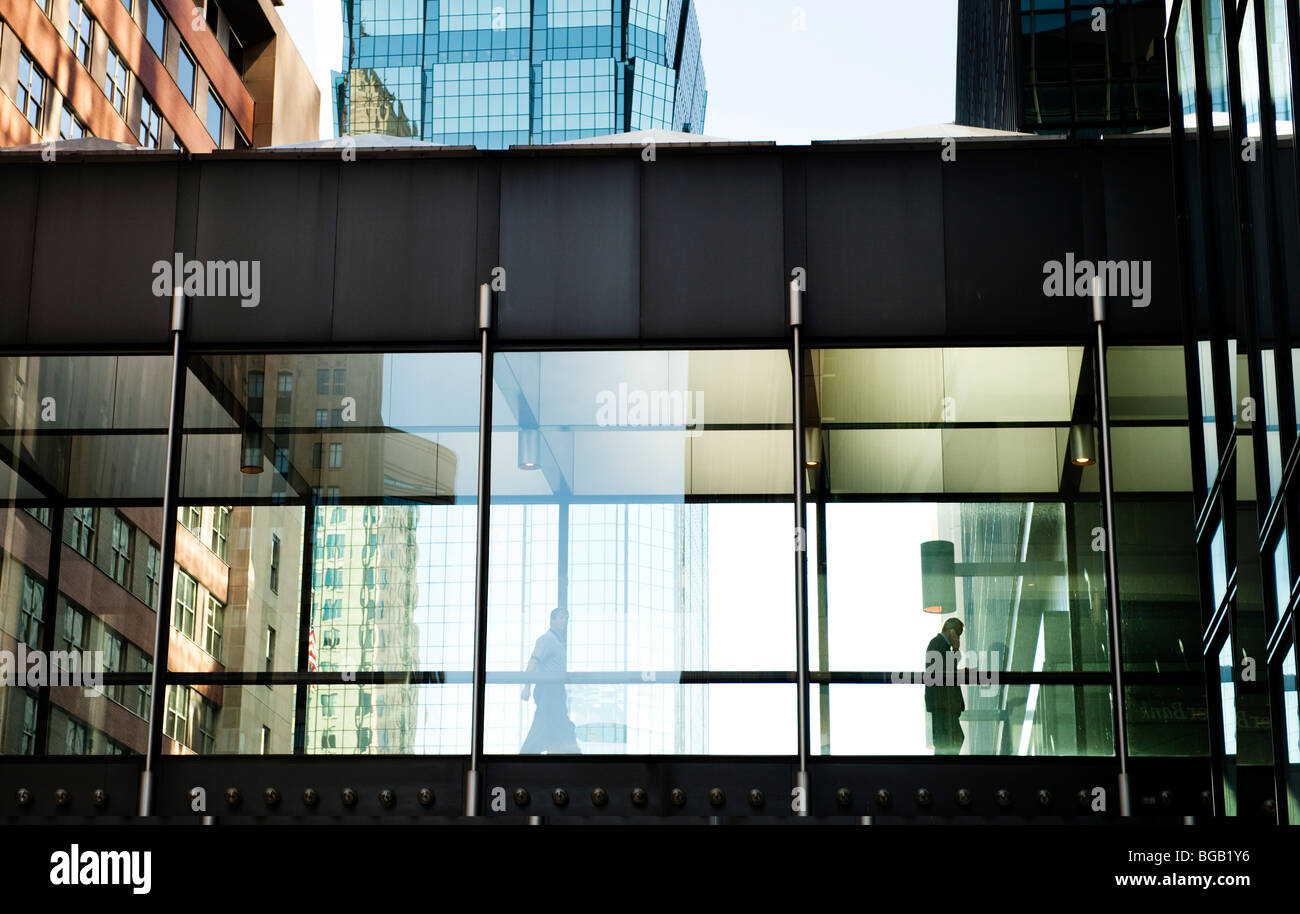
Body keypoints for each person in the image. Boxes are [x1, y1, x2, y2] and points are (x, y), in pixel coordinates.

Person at [520, 607, 580, 754]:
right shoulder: (547, 640)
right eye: (561, 617)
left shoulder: (558, 642)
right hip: (549, 690)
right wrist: (526, 687)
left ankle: (565, 753)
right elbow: (532, 663)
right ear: (552, 620)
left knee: (555, 726)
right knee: (547, 725)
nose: (564, 621)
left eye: (567, 618)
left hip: (556, 691)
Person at [925, 617, 965, 755]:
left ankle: (943, 771)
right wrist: (956, 650)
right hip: (942, 704)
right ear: (952, 632)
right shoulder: (938, 644)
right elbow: (946, 671)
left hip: (942, 704)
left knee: (948, 740)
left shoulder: (938, 644)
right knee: (950, 740)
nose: (958, 638)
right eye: (958, 634)